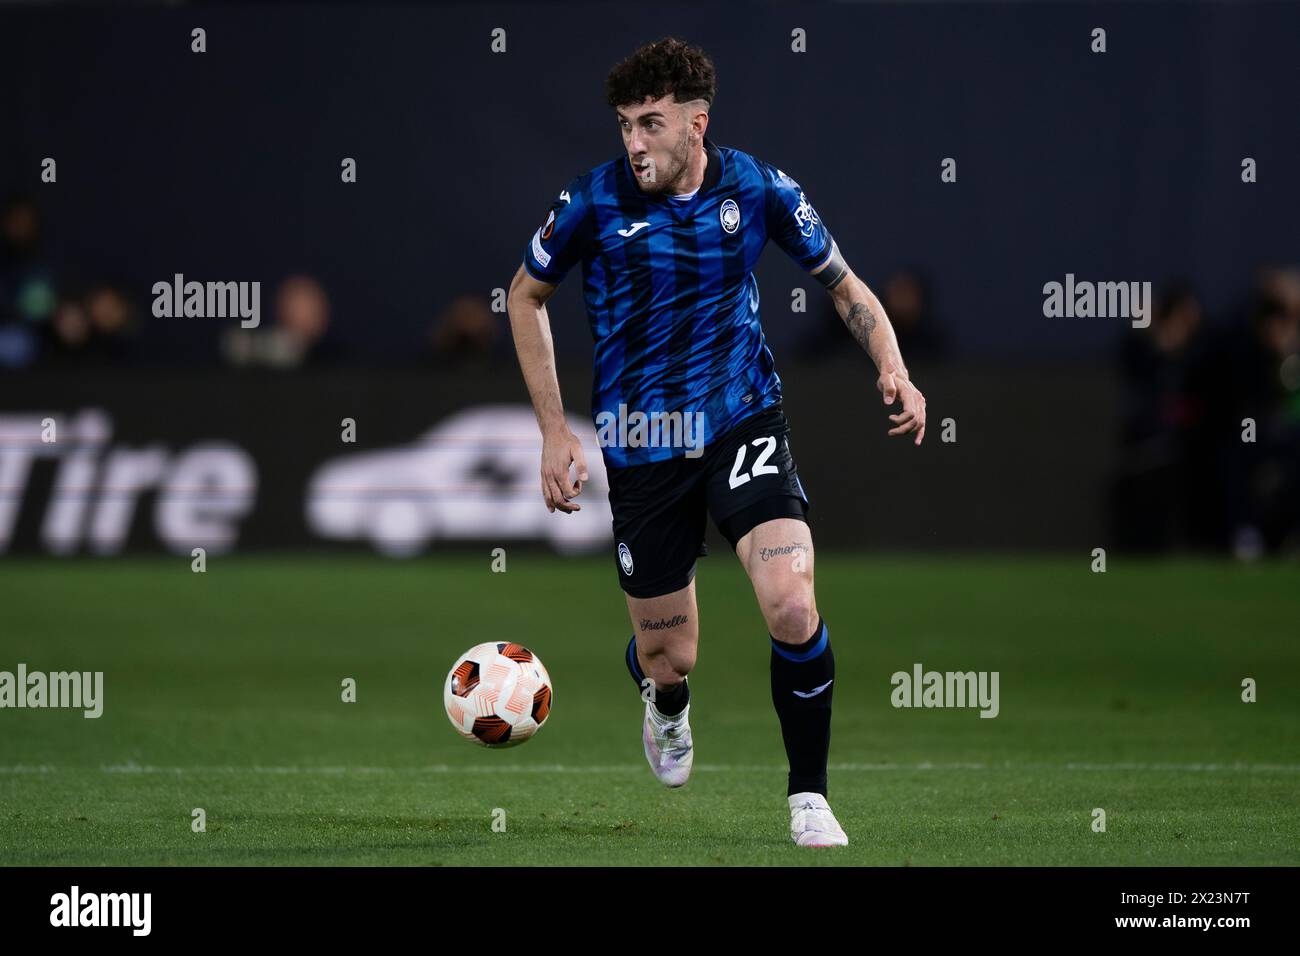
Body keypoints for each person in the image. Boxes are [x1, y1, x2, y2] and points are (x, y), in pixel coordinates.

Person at [505, 37, 926, 847]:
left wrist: (894, 367)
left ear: (697, 124)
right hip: (642, 441)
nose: (634, 143)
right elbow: (523, 297)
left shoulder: (758, 188)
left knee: (793, 605)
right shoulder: (592, 202)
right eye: (625, 124)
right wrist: (555, 431)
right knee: (671, 657)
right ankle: (664, 703)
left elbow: (842, 283)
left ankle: (809, 797)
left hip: (742, 419)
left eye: (651, 123)